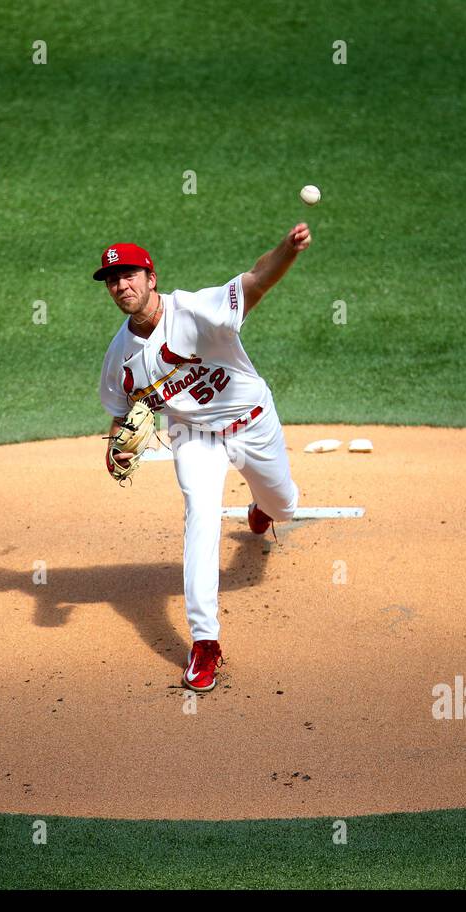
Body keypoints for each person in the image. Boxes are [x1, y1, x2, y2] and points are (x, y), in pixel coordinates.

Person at [95, 225, 311, 692]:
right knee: (200, 516)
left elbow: (257, 280)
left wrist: (287, 249)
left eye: (129, 275)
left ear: (151, 278)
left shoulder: (194, 309)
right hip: (193, 436)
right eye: (112, 280)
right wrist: (115, 449)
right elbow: (119, 413)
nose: (121, 285)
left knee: (284, 506)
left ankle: (262, 509)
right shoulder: (119, 357)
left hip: (252, 421)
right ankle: (205, 642)